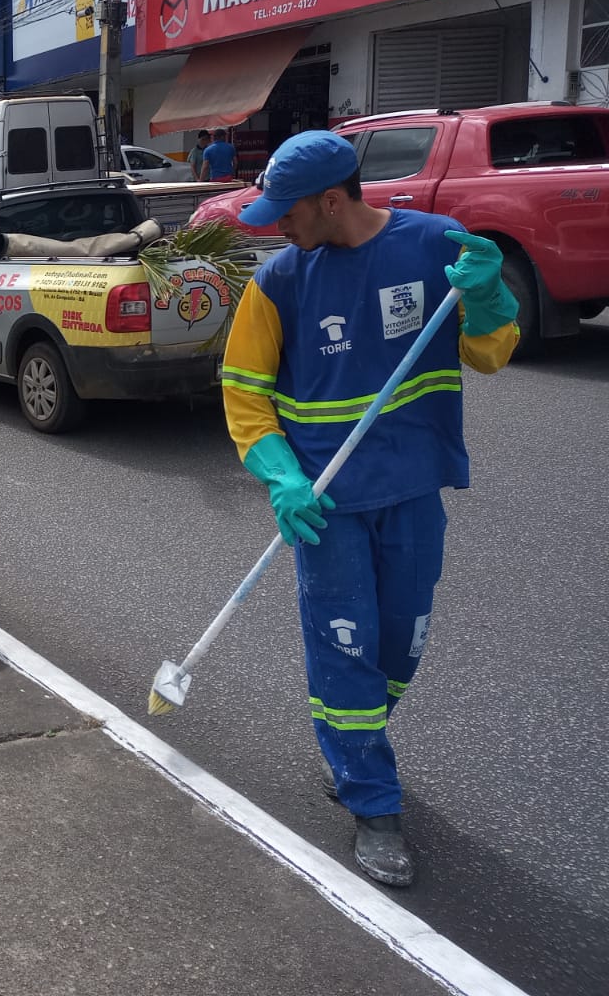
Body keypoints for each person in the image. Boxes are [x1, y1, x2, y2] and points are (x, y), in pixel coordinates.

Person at [220, 130, 518, 889]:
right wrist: (280, 475)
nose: (275, 226)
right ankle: (371, 803)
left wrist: (487, 294)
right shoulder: (279, 283)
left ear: (331, 200)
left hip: (414, 489)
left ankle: (354, 743)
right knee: (344, 644)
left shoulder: (434, 249)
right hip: (327, 503)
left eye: (287, 212)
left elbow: (490, 352)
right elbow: (244, 392)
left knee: (400, 644)